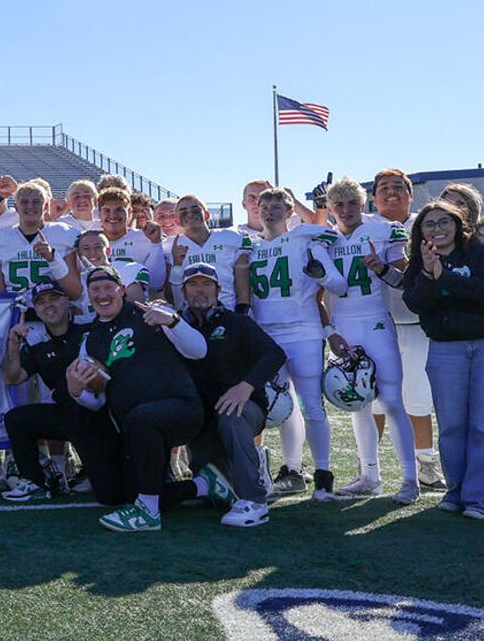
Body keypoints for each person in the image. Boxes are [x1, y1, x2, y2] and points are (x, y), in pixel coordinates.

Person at [70, 267, 208, 533]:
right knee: (126, 493)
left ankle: (148, 514)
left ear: (121, 289)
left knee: (143, 418)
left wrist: (172, 321)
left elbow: (199, 351)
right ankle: (204, 485)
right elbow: (97, 402)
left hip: (181, 410)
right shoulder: (90, 340)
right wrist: (77, 392)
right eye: (95, 290)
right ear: (88, 296)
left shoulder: (148, 313)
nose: (102, 295)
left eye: (108, 287)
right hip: (136, 430)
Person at [171, 264, 289, 527]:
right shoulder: (176, 326)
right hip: (200, 416)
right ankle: (253, 464)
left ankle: (255, 500)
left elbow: (275, 354)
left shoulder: (237, 323)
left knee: (230, 412)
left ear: (218, 290)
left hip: (240, 408)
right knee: (217, 489)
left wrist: (245, 386)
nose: (199, 290)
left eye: (206, 284)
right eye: (193, 284)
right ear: (183, 291)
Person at [248, 186, 346, 498]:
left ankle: (323, 474)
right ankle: (291, 469)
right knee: (278, 406)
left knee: (312, 406)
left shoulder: (305, 238)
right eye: (265, 205)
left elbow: (339, 285)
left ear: (292, 211)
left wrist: (321, 274)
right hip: (266, 336)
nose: (270, 210)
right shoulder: (248, 247)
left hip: (303, 332)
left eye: (279, 205)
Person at [323, 177, 417, 501]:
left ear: (362, 204)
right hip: (343, 328)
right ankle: (369, 476)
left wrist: (380, 269)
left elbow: (405, 281)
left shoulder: (383, 229)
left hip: (376, 322)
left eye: (352, 203)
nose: (346, 210)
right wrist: (330, 332)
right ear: (330, 208)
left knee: (391, 401)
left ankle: (410, 479)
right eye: (339, 205)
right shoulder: (323, 239)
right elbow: (317, 293)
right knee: (357, 403)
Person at [402, 200, 484, 518]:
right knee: (451, 425)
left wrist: (444, 277)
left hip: (480, 344)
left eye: (443, 221)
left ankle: (476, 497)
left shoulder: (477, 253)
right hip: (445, 349)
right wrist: (427, 271)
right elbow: (416, 303)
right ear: (420, 232)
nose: (438, 229)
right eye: (430, 224)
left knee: (480, 425)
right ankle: (455, 491)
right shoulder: (418, 262)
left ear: (458, 224)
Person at [370, 168, 443, 489]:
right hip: (373, 324)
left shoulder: (424, 223)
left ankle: (426, 463)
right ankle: (368, 467)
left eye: (398, 187)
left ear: (411, 194)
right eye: (383, 188)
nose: (391, 192)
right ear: (373, 198)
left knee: (416, 398)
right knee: (371, 400)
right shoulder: (362, 226)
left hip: (415, 323)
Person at [0, 281, 100, 502]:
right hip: (69, 417)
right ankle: (34, 482)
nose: (49, 306)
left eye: (53, 299)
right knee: (17, 419)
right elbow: (12, 378)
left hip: (99, 418)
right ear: (36, 310)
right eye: (41, 302)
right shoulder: (38, 343)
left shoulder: (90, 329)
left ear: (66, 301)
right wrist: (14, 347)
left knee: (107, 491)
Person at [0, 181, 82, 299]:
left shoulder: (63, 233)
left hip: (52, 311)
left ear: (46, 206)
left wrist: (53, 259)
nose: (30, 206)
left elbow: (75, 292)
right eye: (24, 202)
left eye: (36, 202)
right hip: (15, 311)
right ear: (16, 207)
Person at [164, 194, 251, 308]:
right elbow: (173, 295)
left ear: (206, 214)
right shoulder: (169, 245)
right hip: (191, 316)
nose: (190, 214)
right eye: (183, 211)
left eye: (195, 209)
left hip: (228, 311)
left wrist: (242, 307)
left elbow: (242, 276)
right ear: (177, 220)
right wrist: (176, 265)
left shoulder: (232, 237)